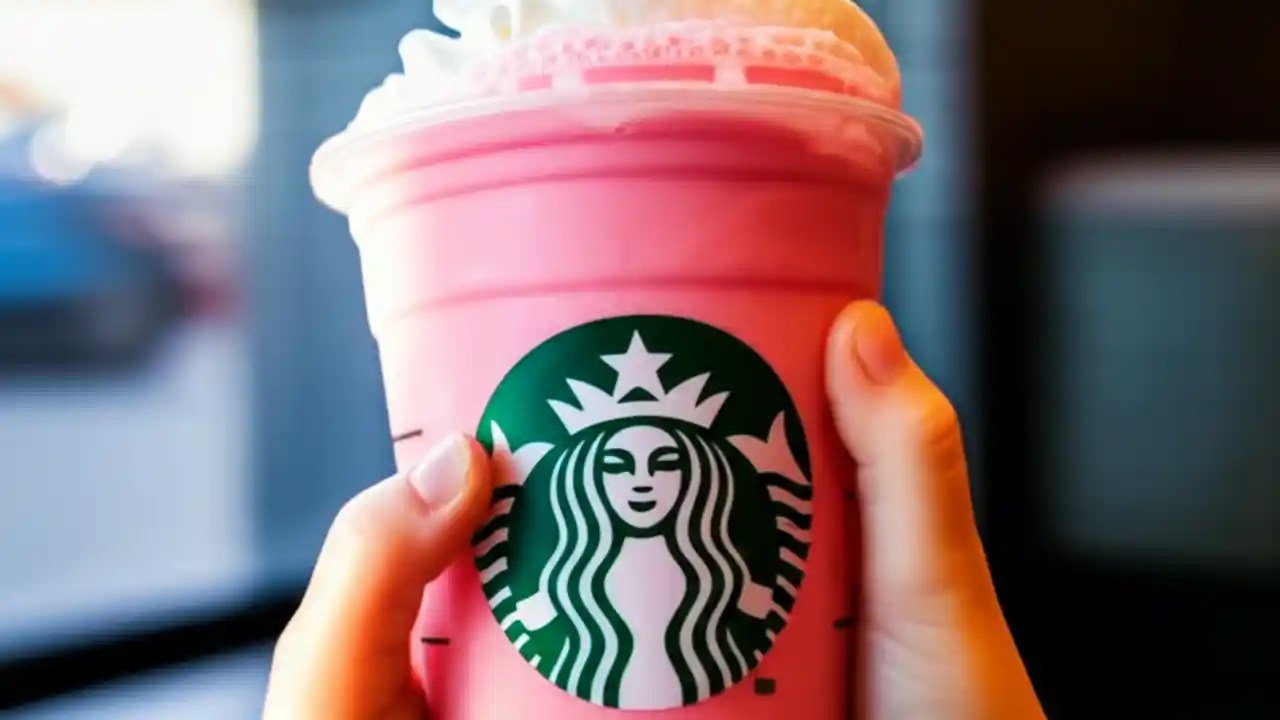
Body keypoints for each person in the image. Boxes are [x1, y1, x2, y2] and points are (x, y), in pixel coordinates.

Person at [262, 301, 1047, 719]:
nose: (642, 481)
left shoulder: (729, 589)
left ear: (705, 475)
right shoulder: (558, 595)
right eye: (617, 462)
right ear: (580, 479)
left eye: (666, 460)